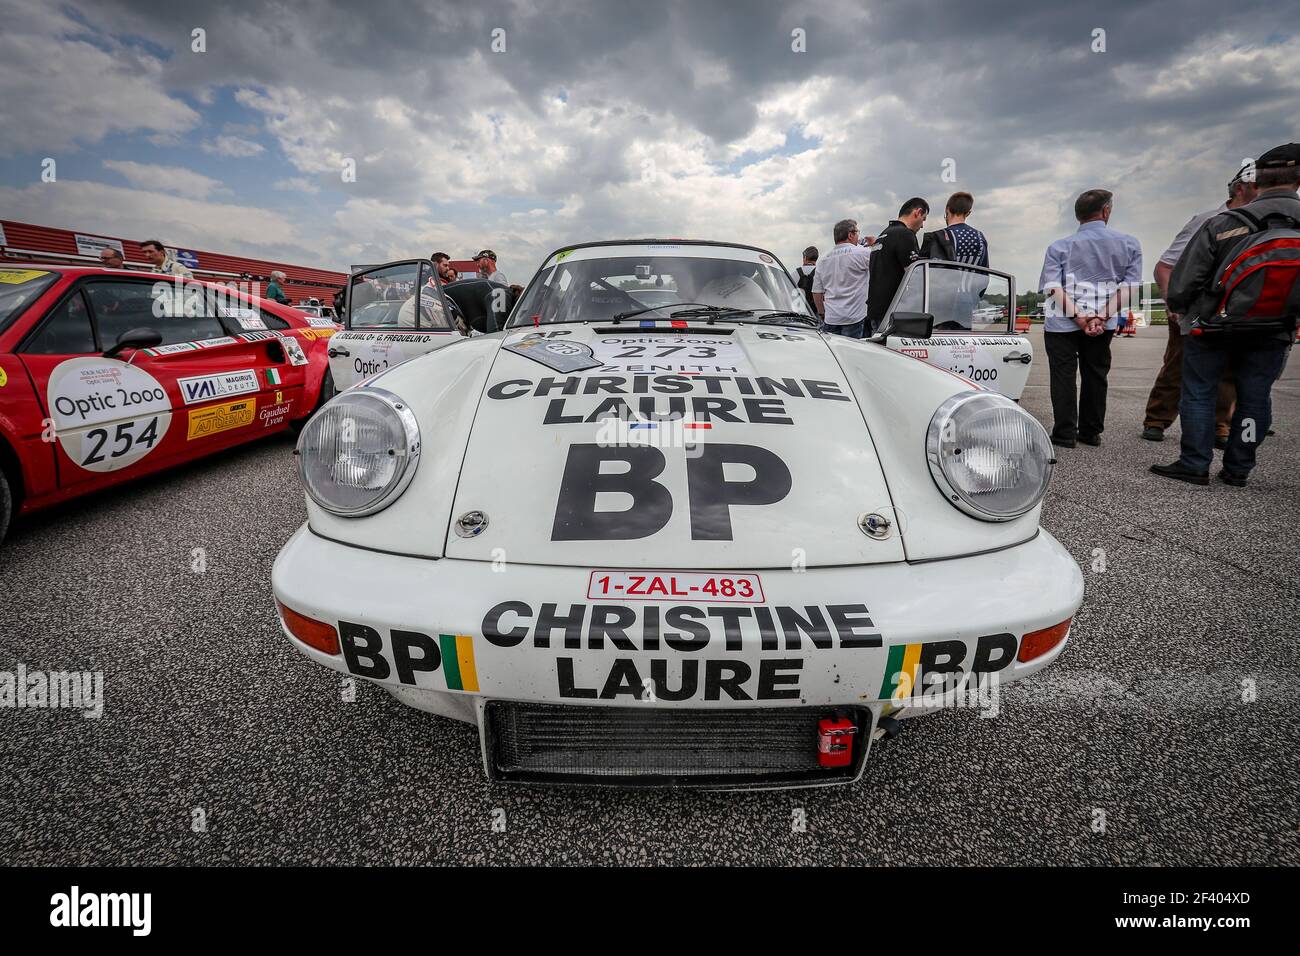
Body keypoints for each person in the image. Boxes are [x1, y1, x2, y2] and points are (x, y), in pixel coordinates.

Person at [1151, 143, 1300, 488]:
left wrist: (1185, 312)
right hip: (1275, 328)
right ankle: (1238, 469)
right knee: (1255, 396)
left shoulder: (1224, 224)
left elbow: (1184, 283)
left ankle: (1194, 463)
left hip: (1215, 325)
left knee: (1200, 392)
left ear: (1256, 179)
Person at [1140, 165, 1257, 445]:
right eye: (1258, 184)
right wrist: (1172, 303)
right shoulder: (1208, 220)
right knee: (1178, 365)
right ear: (1240, 187)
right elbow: (1165, 265)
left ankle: (1220, 426)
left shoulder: (1265, 221)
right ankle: (1157, 419)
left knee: (1229, 369)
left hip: (1237, 309)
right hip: (1194, 308)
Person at [1038, 188, 1143, 448]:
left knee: (1063, 375)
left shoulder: (1058, 247)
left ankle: (1064, 433)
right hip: (1102, 321)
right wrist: (1102, 316)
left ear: (1078, 216)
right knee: (1095, 373)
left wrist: (1078, 318)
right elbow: (1129, 287)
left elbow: (1053, 288)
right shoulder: (1129, 243)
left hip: (1063, 321)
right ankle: (1090, 431)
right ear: (1106, 211)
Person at [866, 197, 927, 332]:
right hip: (893, 312)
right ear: (917, 212)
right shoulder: (905, 234)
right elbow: (914, 274)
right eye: (923, 219)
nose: (922, 225)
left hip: (876, 310)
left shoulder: (884, 234)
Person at [811, 220, 872, 337]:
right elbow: (880, 264)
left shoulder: (823, 260)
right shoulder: (863, 253)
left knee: (833, 353)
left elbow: (817, 292)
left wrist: (822, 313)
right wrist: (875, 244)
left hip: (831, 318)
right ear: (850, 235)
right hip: (854, 317)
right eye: (857, 232)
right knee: (852, 353)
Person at [920, 191, 989, 266]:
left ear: (947, 209)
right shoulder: (980, 238)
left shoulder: (936, 237)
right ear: (968, 213)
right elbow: (984, 273)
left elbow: (922, 271)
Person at [794, 246, 818, 313]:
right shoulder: (820, 273)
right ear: (816, 259)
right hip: (815, 312)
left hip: (799, 312)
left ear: (804, 258)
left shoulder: (795, 273)